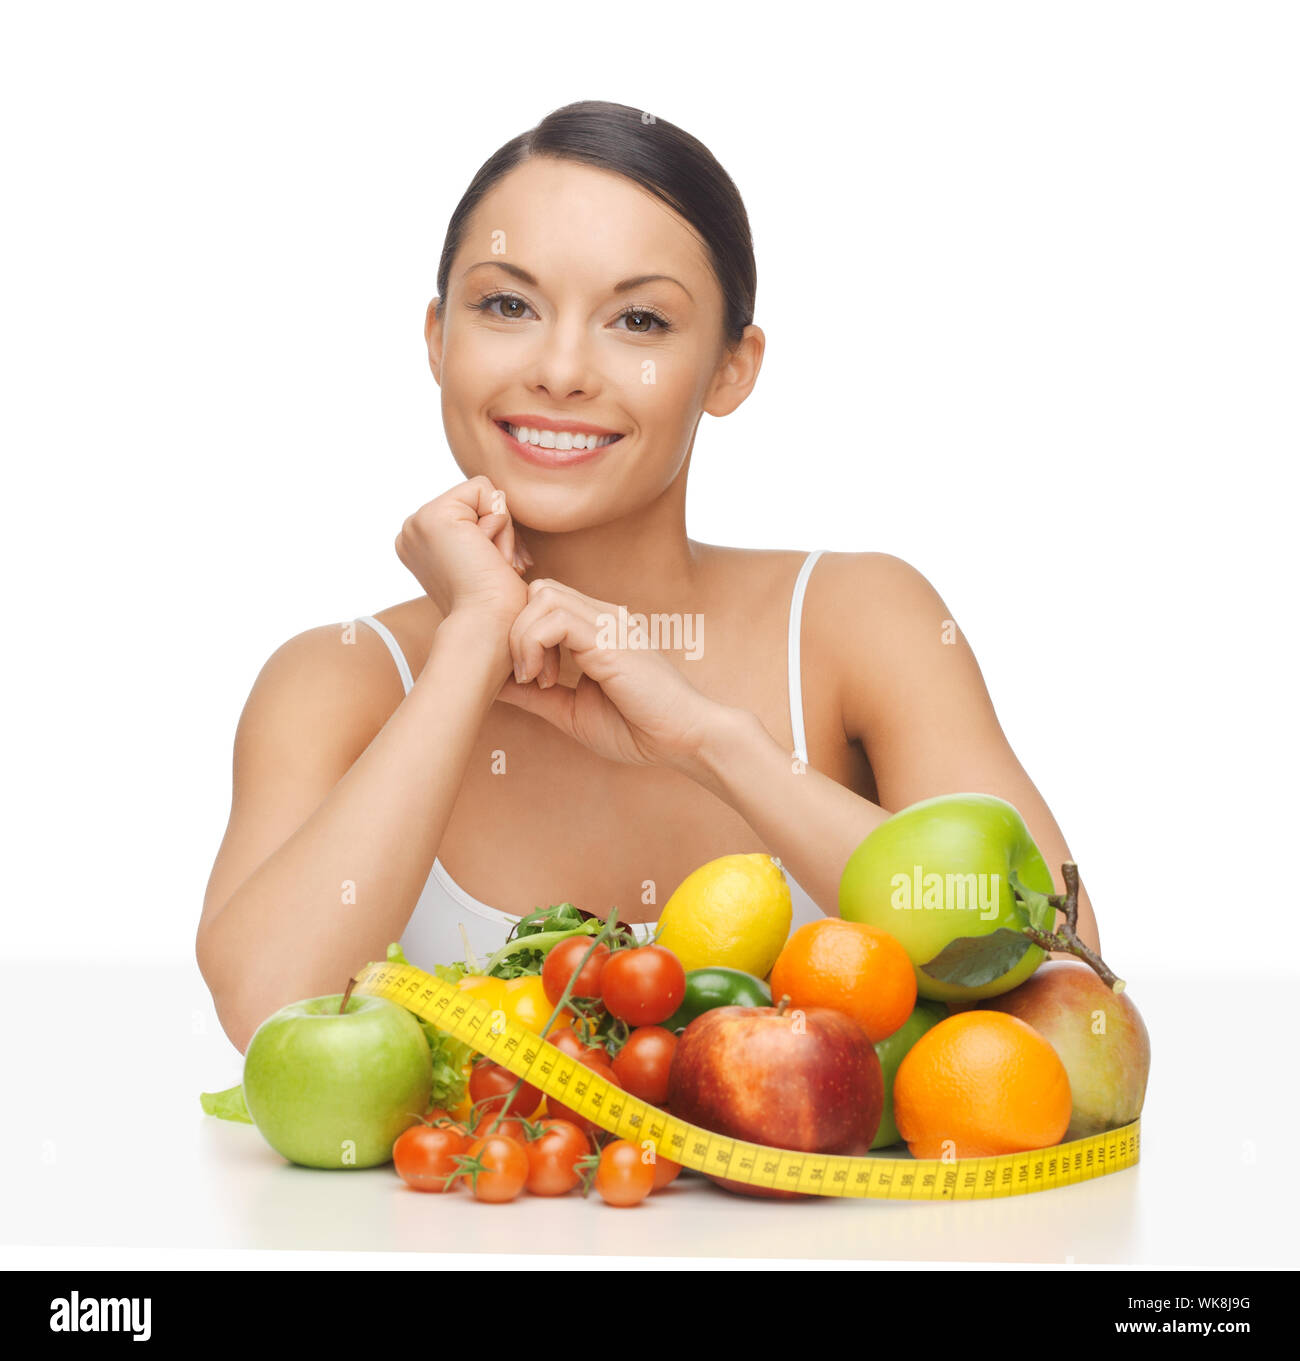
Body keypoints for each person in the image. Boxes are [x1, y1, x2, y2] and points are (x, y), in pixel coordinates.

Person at [196, 101, 1099, 1054]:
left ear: (730, 370)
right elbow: (265, 1011)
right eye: (507, 304)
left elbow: (1062, 974)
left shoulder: (858, 622)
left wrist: (711, 742)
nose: (560, 368)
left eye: (639, 320)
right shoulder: (335, 678)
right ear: (437, 338)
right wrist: (470, 641)